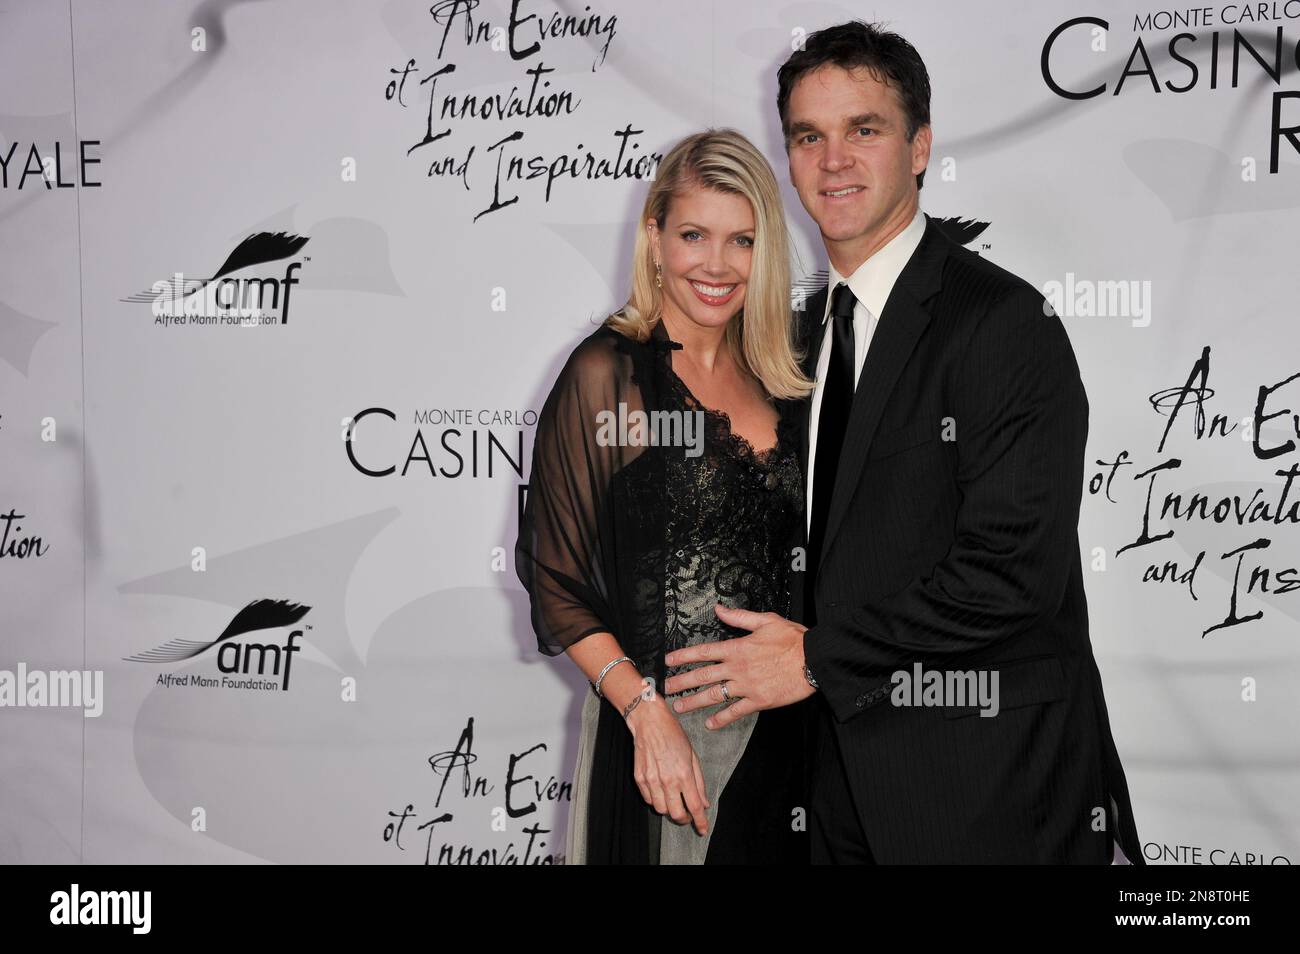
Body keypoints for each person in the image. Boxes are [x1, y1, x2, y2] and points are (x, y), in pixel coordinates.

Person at [664, 21, 1146, 865]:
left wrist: (815, 659)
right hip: (828, 796)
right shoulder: (796, 341)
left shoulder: (1000, 323)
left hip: (984, 793)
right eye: (809, 137)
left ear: (920, 147)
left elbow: (1010, 573)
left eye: (865, 130)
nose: (833, 160)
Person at [514, 128, 816, 864]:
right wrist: (644, 716)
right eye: (693, 235)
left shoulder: (790, 376)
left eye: (742, 240)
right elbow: (555, 583)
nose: (716, 265)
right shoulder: (606, 375)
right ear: (654, 238)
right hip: (671, 748)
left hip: (794, 741)